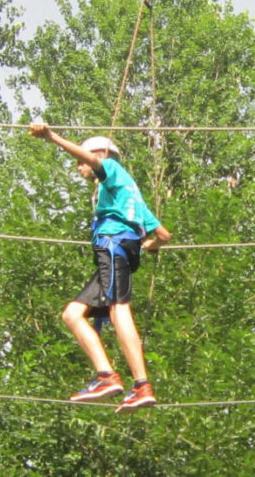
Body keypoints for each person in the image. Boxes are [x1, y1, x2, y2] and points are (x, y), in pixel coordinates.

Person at [28, 122, 171, 412]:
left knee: (120, 309)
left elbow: (95, 161)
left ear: (102, 154)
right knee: (71, 314)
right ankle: (106, 375)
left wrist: (51, 137)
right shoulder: (128, 194)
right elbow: (164, 235)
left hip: (113, 246)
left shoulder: (112, 169)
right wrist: (149, 245)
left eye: (81, 160)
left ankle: (141, 384)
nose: (80, 166)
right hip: (120, 251)